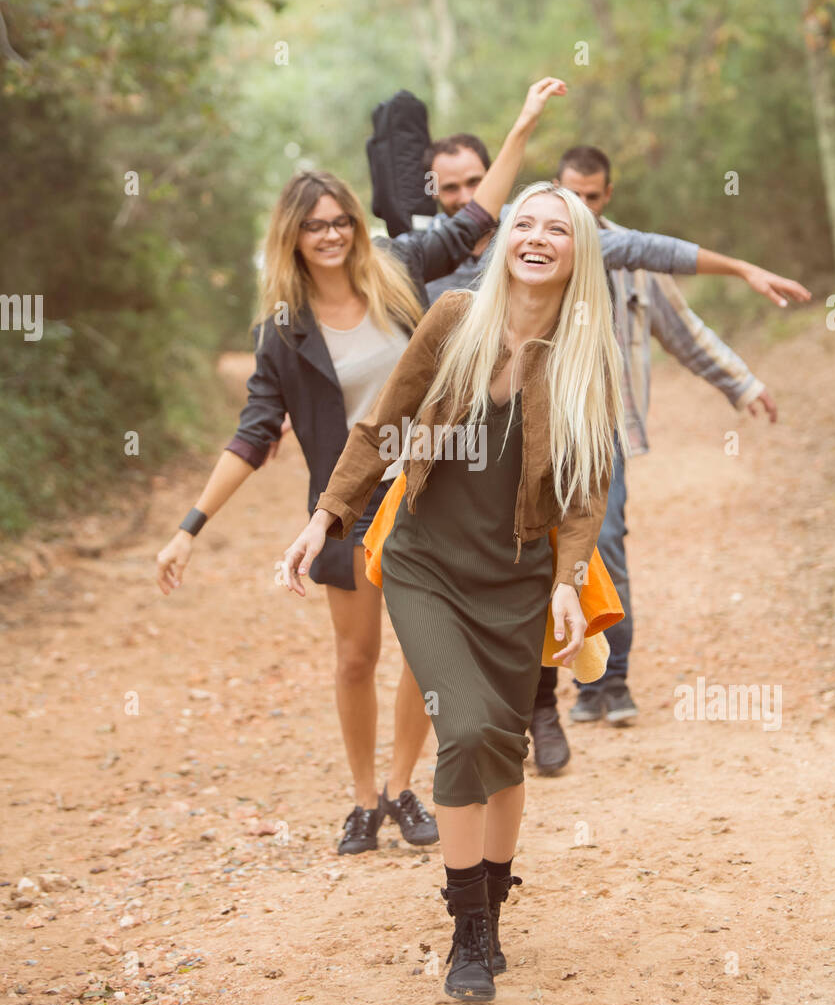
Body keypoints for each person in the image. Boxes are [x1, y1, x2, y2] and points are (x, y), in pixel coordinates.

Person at [154, 79, 563, 858]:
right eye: (315, 227)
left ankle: (408, 787)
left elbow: (479, 216)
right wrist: (189, 528)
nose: (333, 235)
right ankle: (363, 799)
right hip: (344, 500)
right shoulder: (282, 330)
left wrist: (521, 124)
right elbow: (252, 435)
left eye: (342, 221)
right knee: (354, 657)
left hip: (429, 490)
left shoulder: (400, 268)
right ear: (293, 238)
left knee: (422, 651)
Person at [284, 165, 625, 1001]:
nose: (538, 238)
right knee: (467, 732)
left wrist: (565, 582)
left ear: (578, 251)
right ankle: (466, 933)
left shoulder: (586, 358)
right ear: (503, 240)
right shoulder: (453, 320)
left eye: (558, 228)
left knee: (504, 750)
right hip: (425, 563)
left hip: (519, 578)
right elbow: (385, 422)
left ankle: (493, 914)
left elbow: (584, 498)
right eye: (525, 224)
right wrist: (326, 516)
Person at [395, 125, 810, 770]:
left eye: (478, 182)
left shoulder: (571, 243)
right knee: (496, 567)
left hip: (584, 436)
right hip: (470, 459)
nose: (467, 197)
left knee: (587, 547)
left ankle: (577, 690)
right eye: (452, 188)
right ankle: (504, 717)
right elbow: (396, 365)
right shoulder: (438, 268)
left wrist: (741, 286)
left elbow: (670, 288)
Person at [545, 146, 779, 728]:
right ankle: (544, 697)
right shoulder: (538, 249)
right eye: (570, 193)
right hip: (537, 435)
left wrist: (741, 382)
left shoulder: (628, 256)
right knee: (540, 557)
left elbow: (683, 330)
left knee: (606, 546)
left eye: (592, 197)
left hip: (606, 434)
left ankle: (609, 680)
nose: (581, 206)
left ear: (608, 195)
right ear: (556, 187)